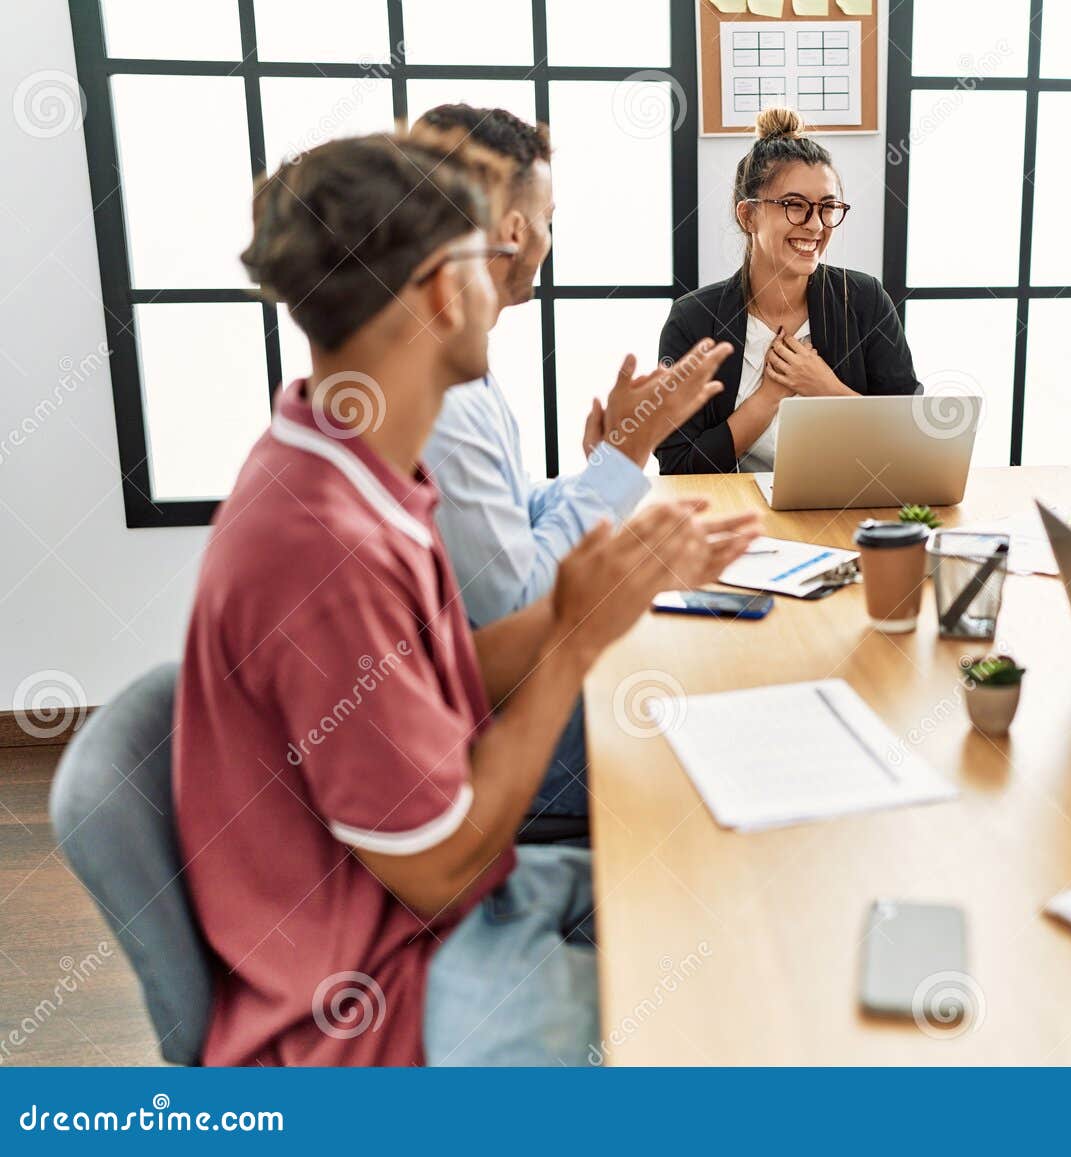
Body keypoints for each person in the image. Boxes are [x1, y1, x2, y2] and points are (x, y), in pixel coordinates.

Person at [173, 132, 758, 1066]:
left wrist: (597, 591)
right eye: (488, 253)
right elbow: (442, 873)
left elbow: (439, 677)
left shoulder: (348, 460)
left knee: (732, 884)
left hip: (430, 912)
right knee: (731, 1006)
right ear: (445, 291)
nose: (509, 270)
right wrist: (573, 636)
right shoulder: (322, 547)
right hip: (381, 988)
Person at [408, 105, 728, 829]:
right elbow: (520, 607)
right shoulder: (441, 398)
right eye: (549, 217)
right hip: (474, 745)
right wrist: (621, 459)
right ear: (516, 232)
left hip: (479, 701)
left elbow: (514, 512)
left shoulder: (456, 369)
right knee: (701, 737)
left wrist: (606, 466)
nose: (549, 238)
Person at [656, 107, 920, 475]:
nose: (815, 225)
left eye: (828, 207)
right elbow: (679, 466)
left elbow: (910, 438)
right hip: (738, 519)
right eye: (795, 206)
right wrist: (767, 398)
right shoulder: (693, 320)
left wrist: (825, 388)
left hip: (847, 511)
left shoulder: (865, 300)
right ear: (748, 216)